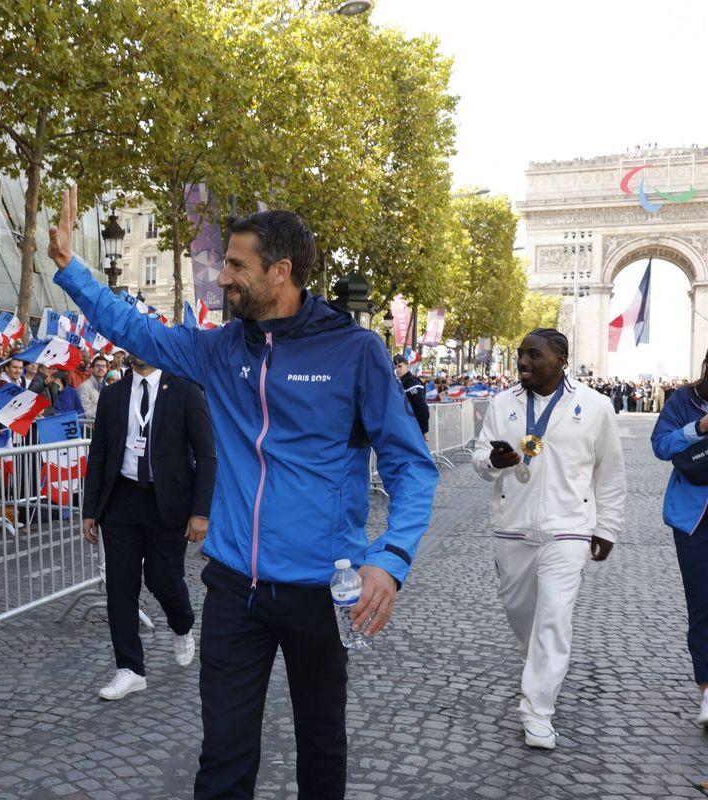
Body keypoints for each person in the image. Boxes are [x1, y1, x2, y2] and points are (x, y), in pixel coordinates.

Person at [49, 185, 437, 799]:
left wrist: (391, 559)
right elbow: (135, 329)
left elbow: (412, 467)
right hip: (233, 587)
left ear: (280, 272)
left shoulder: (356, 351)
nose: (222, 276)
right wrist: (71, 268)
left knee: (321, 747)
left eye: (235, 265)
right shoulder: (221, 348)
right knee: (223, 754)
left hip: (320, 587)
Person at [473, 329, 625, 750]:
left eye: (532, 355)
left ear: (560, 357)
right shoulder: (502, 404)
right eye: (520, 354)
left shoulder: (595, 406)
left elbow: (610, 473)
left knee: (554, 616)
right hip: (513, 527)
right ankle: (538, 661)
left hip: (569, 528)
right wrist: (492, 461)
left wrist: (607, 528)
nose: (522, 361)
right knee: (523, 616)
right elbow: (478, 457)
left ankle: (537, 710)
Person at [82, 354, 216, 700]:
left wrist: (201, 512)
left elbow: (207, 455)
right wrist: (91, 509)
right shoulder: (113, 395)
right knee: (120, 586)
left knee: (162, 579)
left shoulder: (185, 391)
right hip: (122, 501)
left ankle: (182, 623)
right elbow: (99, 454)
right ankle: (129, 668)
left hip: (168, 503)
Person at [651, 349, 708, 728]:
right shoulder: (683, 399)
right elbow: (660, 445)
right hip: (694, 520)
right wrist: (698, 429)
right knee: (703, 605)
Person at [393, 354, 429, 436]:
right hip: (403, 426)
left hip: (412, 427)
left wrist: (424, 429)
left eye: (400, 366)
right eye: (395, 367)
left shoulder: (412, 383)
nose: (397, 369)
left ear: (407, 366)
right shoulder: (400, 383)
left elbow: (422, 408)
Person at [77, 355, 109, 420]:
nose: (101, 368)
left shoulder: (109, 387)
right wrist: (106, 415)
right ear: (92, 369)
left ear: (106, 369)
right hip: (90, 427)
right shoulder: (84, 387)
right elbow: (85, 411)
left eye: (103, 366)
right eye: (97, 366)